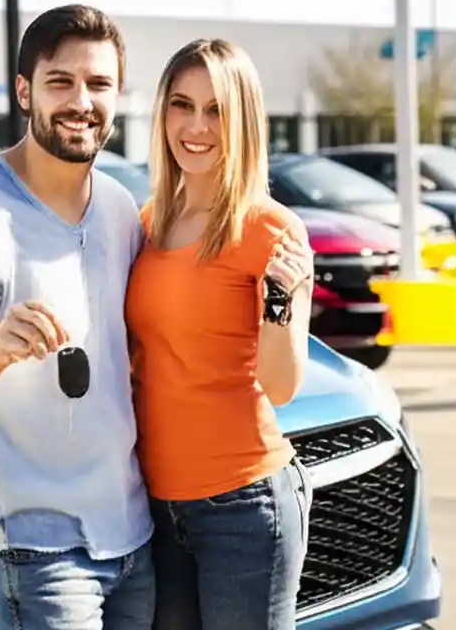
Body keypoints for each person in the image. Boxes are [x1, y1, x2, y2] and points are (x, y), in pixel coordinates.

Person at [0, 4, 154, 628]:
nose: (82, 101)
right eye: (60, 82)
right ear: (24, 92)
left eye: (99, 84)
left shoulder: (122, 209)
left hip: (132, 537)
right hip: (34, 554)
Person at [124, 38, 315, 629]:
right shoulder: (147, 222)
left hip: (243, 505)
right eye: (183, 105)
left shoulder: (271, 229)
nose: (197, 126)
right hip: (154, 504)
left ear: (243, 121)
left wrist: (278, 301)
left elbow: (281, 386)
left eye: (217, 110)